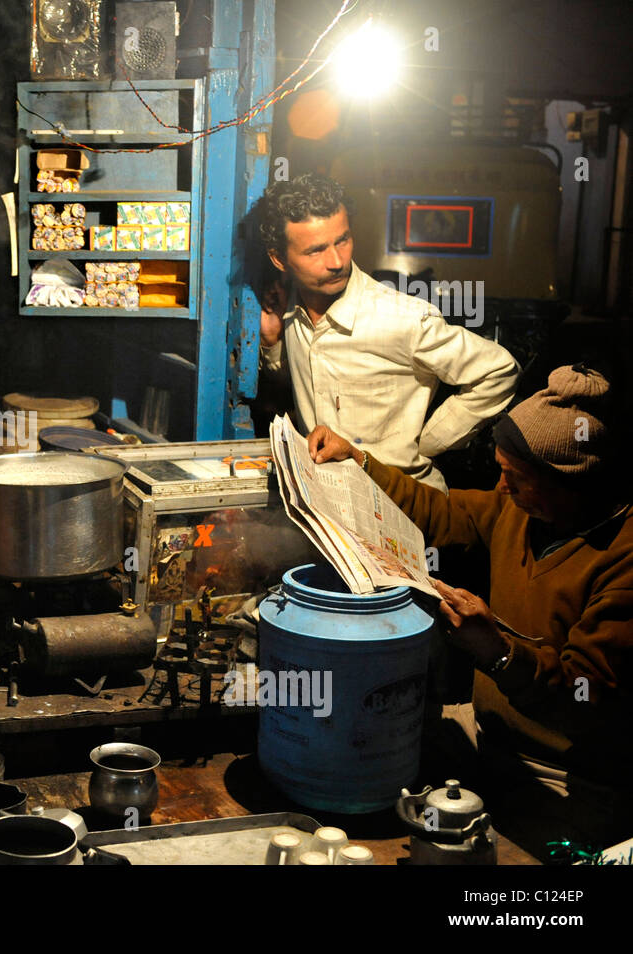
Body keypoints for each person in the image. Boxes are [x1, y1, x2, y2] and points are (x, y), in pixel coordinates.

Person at [307, 364, 633, 848]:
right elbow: (445, 512)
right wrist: (358, 461)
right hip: (488, 737)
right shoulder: (521, 510)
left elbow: (582, 698)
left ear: (569, 484)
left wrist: (498, 653)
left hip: (565, 776)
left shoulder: (621, 560)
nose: (501, 488)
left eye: (515, 478)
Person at [258, 173, 519, 492]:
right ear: (279, 258)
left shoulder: (402, 318)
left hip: (403, 503)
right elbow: (306, 381)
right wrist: (272, 341)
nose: (337, 261)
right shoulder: (289, 311)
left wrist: (428, 442)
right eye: (316, 251)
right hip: (327, 500)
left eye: (343, 240)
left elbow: (499, 370)